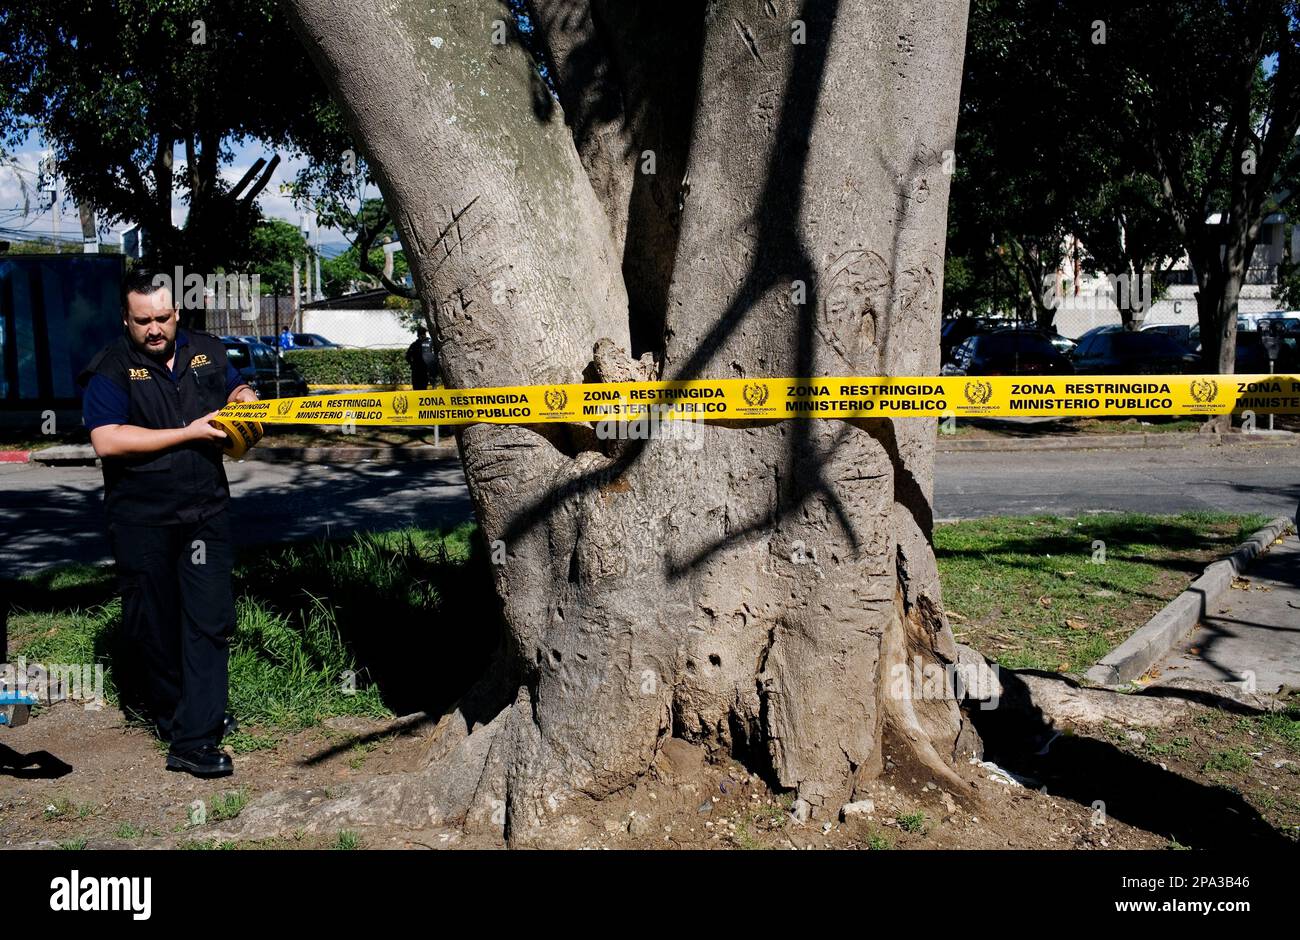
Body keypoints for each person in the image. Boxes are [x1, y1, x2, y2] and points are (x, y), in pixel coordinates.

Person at [78, 269, 259, 777]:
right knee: (154, 627)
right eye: (143, 321)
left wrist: (245, 399)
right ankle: (177, 715)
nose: (154, 329)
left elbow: (237, 387)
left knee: (209, 621)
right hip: (142, 520)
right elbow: (107, 440)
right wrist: (188, 433)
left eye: (162, 317)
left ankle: (194, 737)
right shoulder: (111, 367)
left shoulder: (208, 351)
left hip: (206, 513)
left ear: (177, 312)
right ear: (126, 319)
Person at [405, 326, 439, 390]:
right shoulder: (431, 343)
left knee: (417, 388)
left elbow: (407, 356)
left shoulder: (414, 345)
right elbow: (436, 354)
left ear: (417, 335)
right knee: (426, 387)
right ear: (425, 333)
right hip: (427, 369)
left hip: (417, 370)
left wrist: (412, 364)